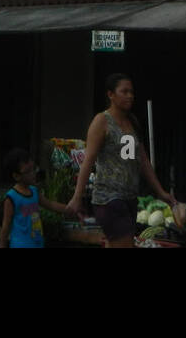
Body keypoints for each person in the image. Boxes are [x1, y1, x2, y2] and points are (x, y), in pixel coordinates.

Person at [65, 73, 177, 248]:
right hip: (109, 198)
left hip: (130, 197)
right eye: (124, 91)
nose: (129, 96)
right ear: (111, 94)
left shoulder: (132, 122)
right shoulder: (102, 121)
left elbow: (143, 161)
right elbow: (88, 161)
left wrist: (160, 191)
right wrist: (77, 196)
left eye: (131, 92)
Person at [0, 147, 71, 248]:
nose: (33, 174)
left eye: (33, 169)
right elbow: (5, 227)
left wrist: (71, 209)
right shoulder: (11, 198)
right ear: (16, 176)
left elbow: (50, 204)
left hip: (37, 243)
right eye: (28, 171)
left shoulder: (34, 191)